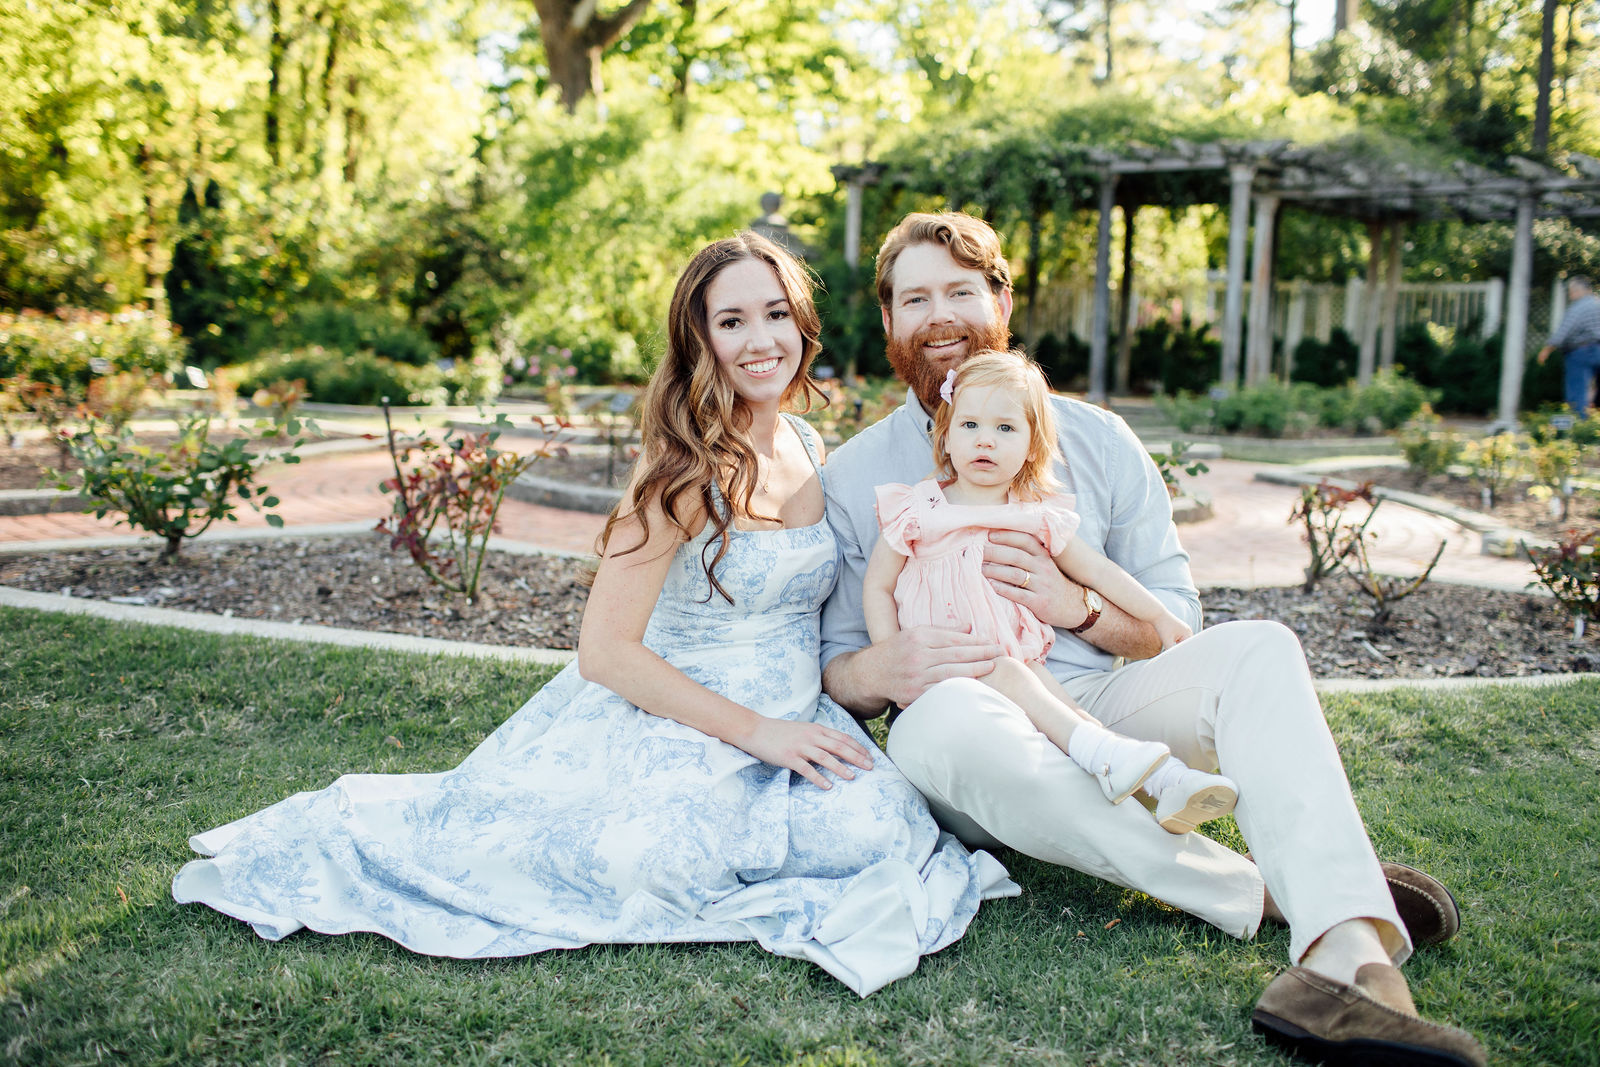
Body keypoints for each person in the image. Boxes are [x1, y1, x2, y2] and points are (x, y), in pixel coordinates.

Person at [172, 232, 1015, 997]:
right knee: (644, 859)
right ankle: (371, 831)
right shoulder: (680, 472)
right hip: (680, 711)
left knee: (878, 830)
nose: (760, 340)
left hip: (800, 708)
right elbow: (605, 651)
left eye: (775, 314)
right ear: (700, 340)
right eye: (731, 321)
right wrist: (757, 732)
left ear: (801, 325)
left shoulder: (805, 444)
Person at [820, 211, 1486, 1065]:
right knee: (947, 720)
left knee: (1261, 646)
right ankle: (1277, 893)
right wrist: (883, 662)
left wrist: (1078, 608)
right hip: (965, 725)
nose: (939, 315)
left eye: (960, 290)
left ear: (1001, 301)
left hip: (1103, 701)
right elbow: (835, 668)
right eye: (915, 298)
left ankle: (1348, 959)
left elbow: (1174, 623)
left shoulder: (1096, 440)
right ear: (888, 322)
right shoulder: (855, 475)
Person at [864, 350, 1238, 833]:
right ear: (947, 435)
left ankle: (1165, 781)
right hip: (944, 673)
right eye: (970, 425)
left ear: (1031, 445)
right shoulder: (919, 507)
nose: (985, 440)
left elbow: (1101, 573)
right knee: (1033, 692)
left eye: (1005, 429)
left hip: (1011, 664)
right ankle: (1131, 768)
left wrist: (1161, 617)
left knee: (1065, 708)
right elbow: (879, 584)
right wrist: (892, 656)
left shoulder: (1035, 514)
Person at [1537, 275, 1600, 418]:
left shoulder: (1577, 308)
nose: (1571, 295)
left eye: (1571, 292)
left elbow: (1564, 331)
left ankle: (1579, 426)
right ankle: (1595, 427)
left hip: (1580, 352)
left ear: (1577, 291)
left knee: (1578, 390)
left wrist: (1547, 350)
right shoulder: (1598, 304)